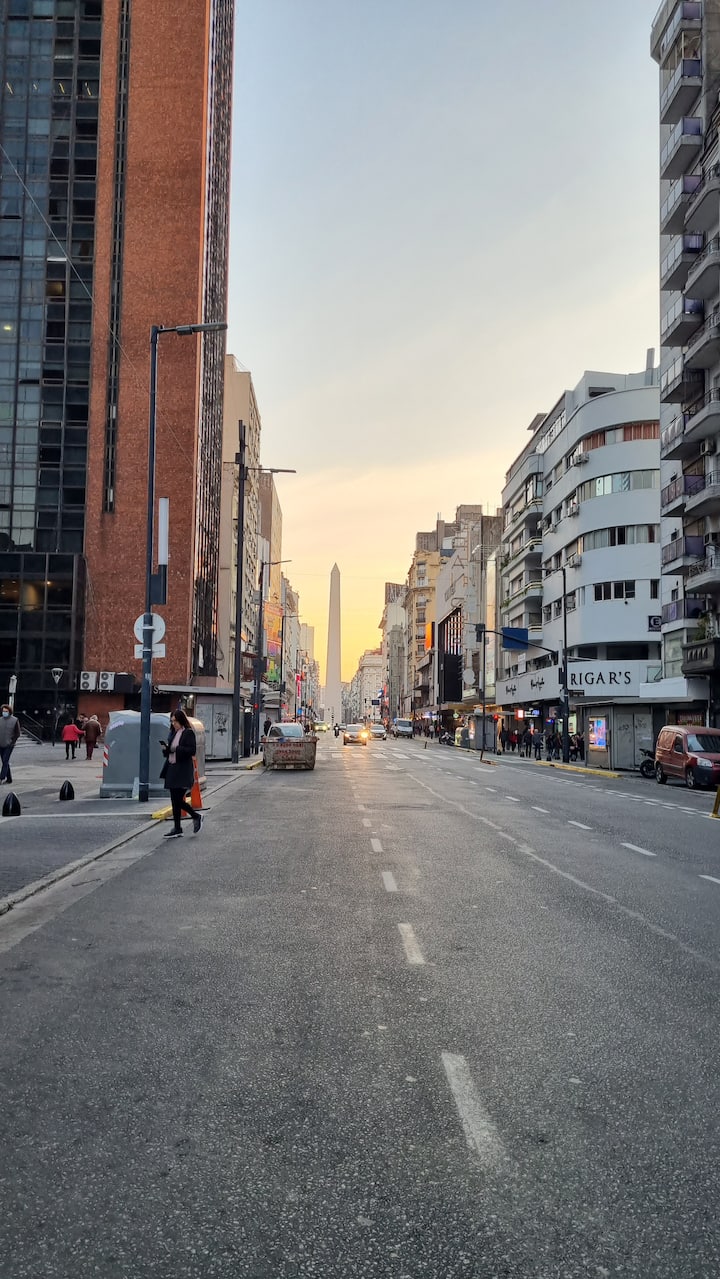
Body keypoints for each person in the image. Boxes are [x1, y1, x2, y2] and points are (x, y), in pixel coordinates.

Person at [160, 708, 202, 838]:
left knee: (178, 799)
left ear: (181, 721)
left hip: (182, 769)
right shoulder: (172, 733)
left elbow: (191, 750)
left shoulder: (188, 733)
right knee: (174, 800)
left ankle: (195, 816)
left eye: (176, 721)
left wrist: (175, 748)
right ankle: (177, 827)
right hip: (172, 768)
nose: (174, 724)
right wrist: (166, 749)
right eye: (172, 721)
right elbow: (169, 752)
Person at [0, 704, 20, 784]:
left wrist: (12, 742)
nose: (4, 713)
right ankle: (9, 778)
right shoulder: (0, 720)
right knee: (5, 761)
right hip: (1, 743)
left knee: (5, 760)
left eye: (6, 711)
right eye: (3, 711)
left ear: (9, 711)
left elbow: (17, 733)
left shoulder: (14, 720)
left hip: (9, 744)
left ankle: (1, 777)